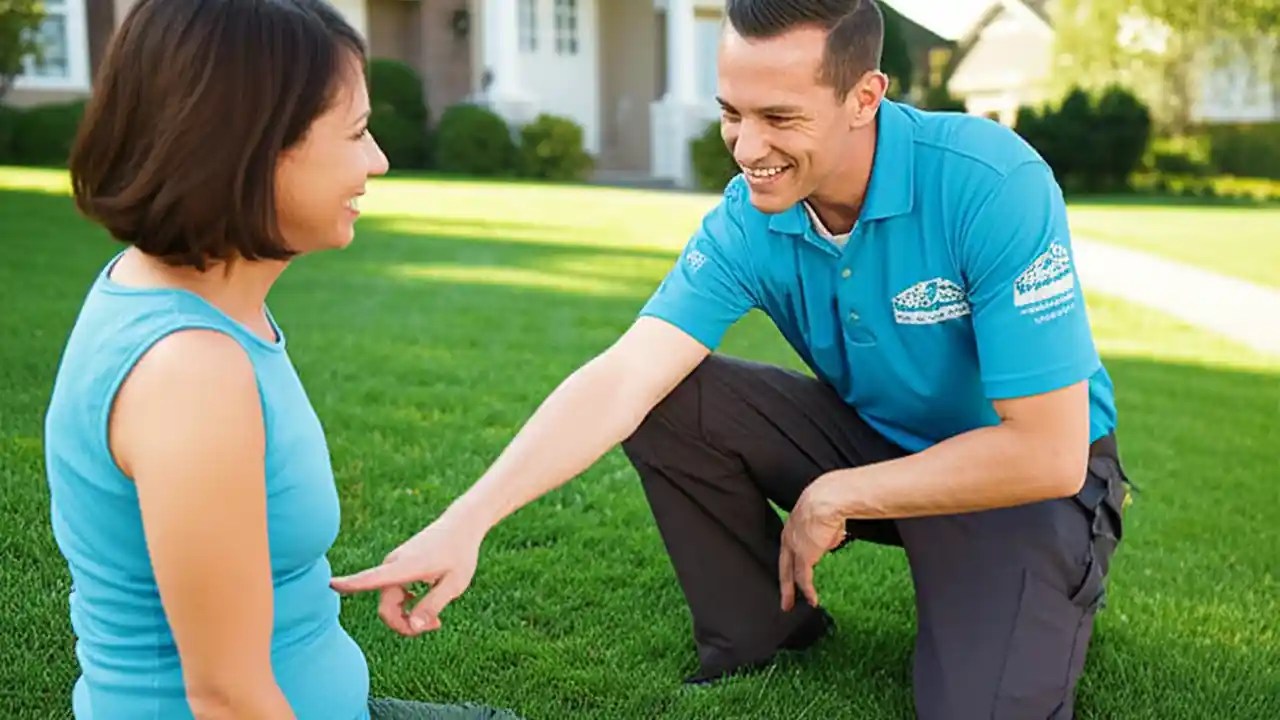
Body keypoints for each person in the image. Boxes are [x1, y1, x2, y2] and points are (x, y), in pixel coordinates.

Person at [332, 0, 1131, 716]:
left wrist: (838, 493)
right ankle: (766, 630)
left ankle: (1030, 594)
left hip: (1022, 479)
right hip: (880, 435)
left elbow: (1048, 451)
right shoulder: (753, 214)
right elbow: (625, 376)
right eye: (731, 113)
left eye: (779, 118)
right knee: (673, 399)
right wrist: (465, 522)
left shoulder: (990, 182)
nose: (748, 149)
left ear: (864, 98)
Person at [43, 1, 519, 718]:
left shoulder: (201, 299)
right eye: (357, 132)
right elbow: (227, 699)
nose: (379, 161)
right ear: (254, 146)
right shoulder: (189, 372)